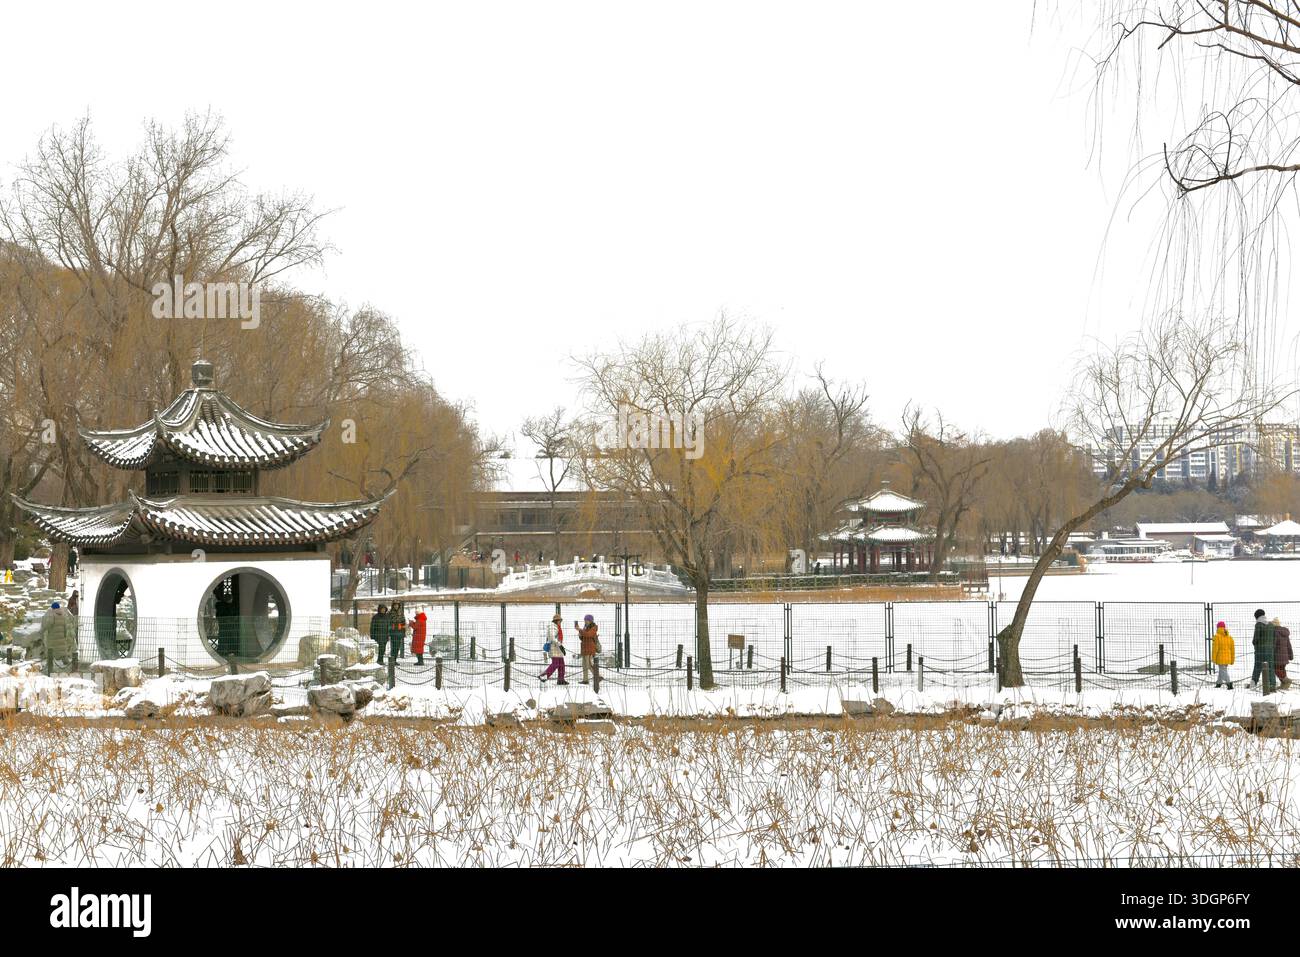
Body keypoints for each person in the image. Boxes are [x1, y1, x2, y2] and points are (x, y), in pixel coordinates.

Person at [39, 600, 78, 670]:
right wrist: (65, 635)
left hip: (53, 636)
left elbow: (48, 624)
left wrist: (43, 630)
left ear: (53, 608)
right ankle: (66, 662)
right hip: (61, 636)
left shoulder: (52, 614)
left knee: (51, 650)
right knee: (62, 650)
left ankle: (49, 664)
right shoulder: (62, 614)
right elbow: (65, 626)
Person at [1250, 608, 1276, 689]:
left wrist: (1254, 643)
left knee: (1257, 666)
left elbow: (1256, 639)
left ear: (1257, 616)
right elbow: (1274, 638)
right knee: (1271, 667)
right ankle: (1272, 685)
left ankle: (1253, 684)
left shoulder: (1259, 624)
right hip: (1270, 650)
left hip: (1260, 651)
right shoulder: (1271, 625)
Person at [541, 612, 567, 684]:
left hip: (557, 648)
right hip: (554, 648)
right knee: (555, 664)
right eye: (559, 620)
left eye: (560, 621)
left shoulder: (556, 627)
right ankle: (544, 676)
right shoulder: (553, 627)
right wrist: (559, 643)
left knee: (561, 664)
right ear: (556, 621)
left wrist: (560, 645)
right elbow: (552, 637)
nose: (560, 622)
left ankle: (561, 680)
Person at [577, 613, 600, 684]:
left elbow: (589, 635)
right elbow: (583, 637)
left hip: (590, 649)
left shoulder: (593, 628)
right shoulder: (585, 628)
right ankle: (585, 680)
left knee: (589, 664)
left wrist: (580, 630)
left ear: (591, 621)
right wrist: (580, 635)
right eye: (585, 620)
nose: (585, 621)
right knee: (584, 665)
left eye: (587, 620)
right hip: (584, 648)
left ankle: (598, 677)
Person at [1212, 620, 1234, 690]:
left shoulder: (1217, 637)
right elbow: (1232, 649)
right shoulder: (1230, 637)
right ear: (1224, 628)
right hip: (1228, 658)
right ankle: (1219, 683)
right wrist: (1232, 659)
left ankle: (1229, 683)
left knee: (1223, 670)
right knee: (1222, 670)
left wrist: (1214, 659)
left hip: (1220, 658)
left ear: (1217, 628)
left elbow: (1215, 649)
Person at [1273, 617, 1293, 689]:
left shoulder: (1275, 632)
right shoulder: (1285, 633)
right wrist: (1290, 655)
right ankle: (1284, 685)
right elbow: (1289, 645)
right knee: (1282, 670)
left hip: (1277, 656)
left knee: (1276, 669)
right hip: (1285, 656)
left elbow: (1273, 645)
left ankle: (1287, 680)